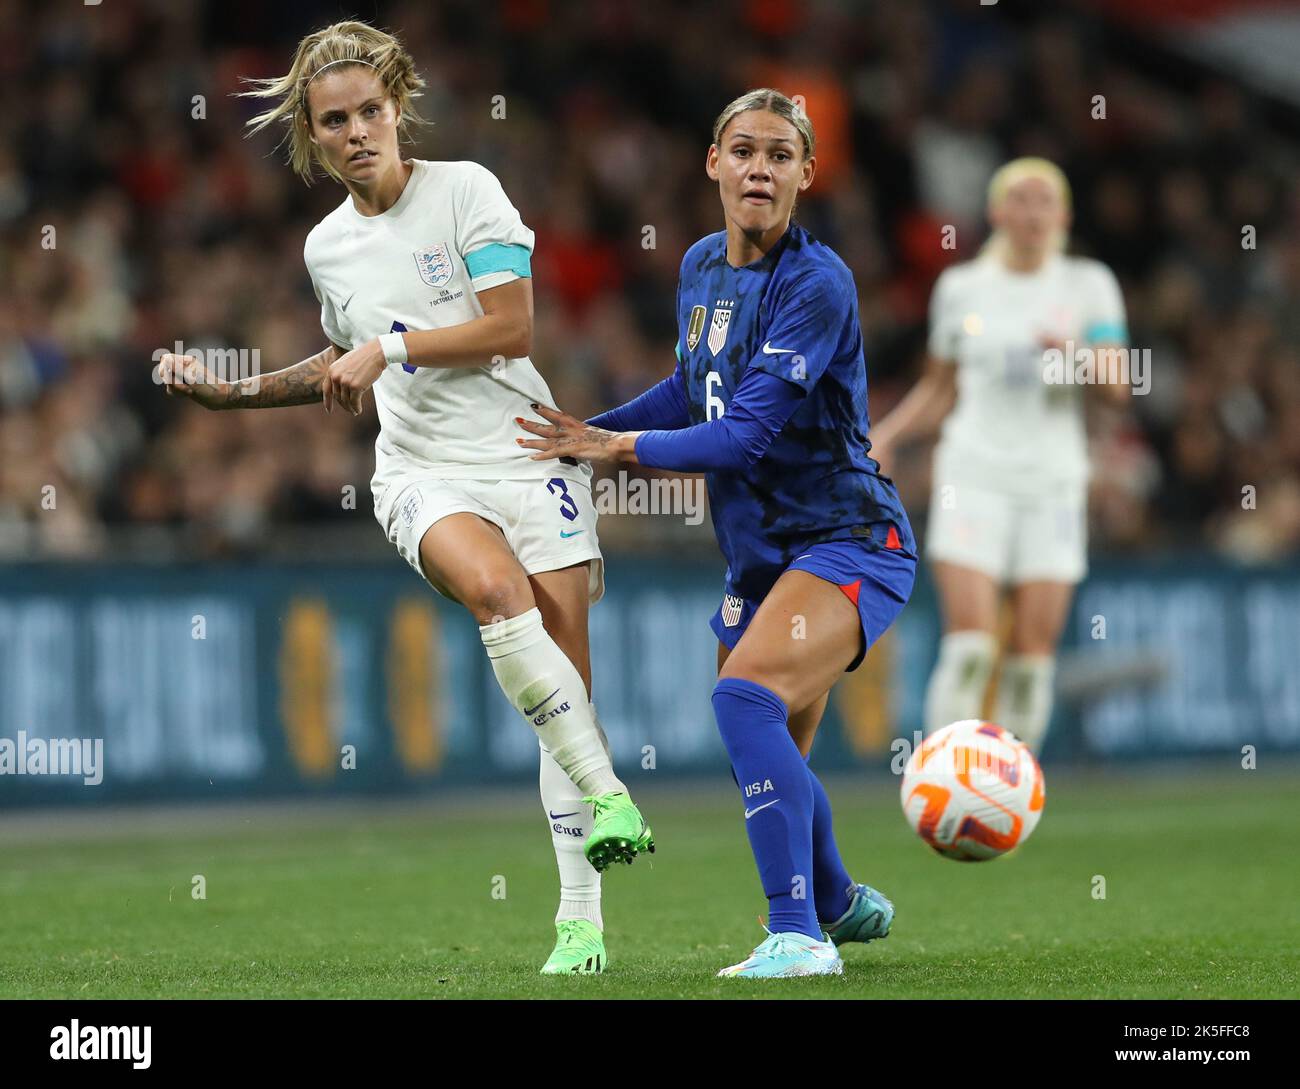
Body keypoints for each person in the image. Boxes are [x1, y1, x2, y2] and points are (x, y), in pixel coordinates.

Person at [156, 19, 651, 976]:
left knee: (567, 685)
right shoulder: (326, 248)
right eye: (332, 121)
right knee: (497, 598)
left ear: (396, 107)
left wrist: (391, 343)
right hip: (422, 469)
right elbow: (344, 363)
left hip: (527, 453)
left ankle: (580, 924)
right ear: (312, 135)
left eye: (368, 111)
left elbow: (509, 328)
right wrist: (233, 390)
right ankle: (611, 791)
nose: (354, 132)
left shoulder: (469, 191)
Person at [518, 89, 915, 978]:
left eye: (781, 155)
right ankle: (841, 902)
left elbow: (743, 433)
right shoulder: (700, 264)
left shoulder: (817, 283)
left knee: (743, 702)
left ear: (807, 174)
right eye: (744, 151)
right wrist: (587, 433)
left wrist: (617, 447)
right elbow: (691, 388)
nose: (760, 169)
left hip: (847, 540)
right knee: (772, 751)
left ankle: (800, 936)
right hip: (760, 558)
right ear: (712, 162)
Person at [871, 158, 1129, 754]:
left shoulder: (1088, 284)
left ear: (1063, 215)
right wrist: (886, 436)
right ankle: (941, 777)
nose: (1033, 212)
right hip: (973, 473)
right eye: (1021, 199)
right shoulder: (962, 288)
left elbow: (1118, 387)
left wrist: (1076, 356)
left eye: (1046, 201)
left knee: (1032, 657)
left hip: (1053, 482)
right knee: (970, 644)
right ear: (997, 212)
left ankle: (1009, 786)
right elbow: (940, 389)